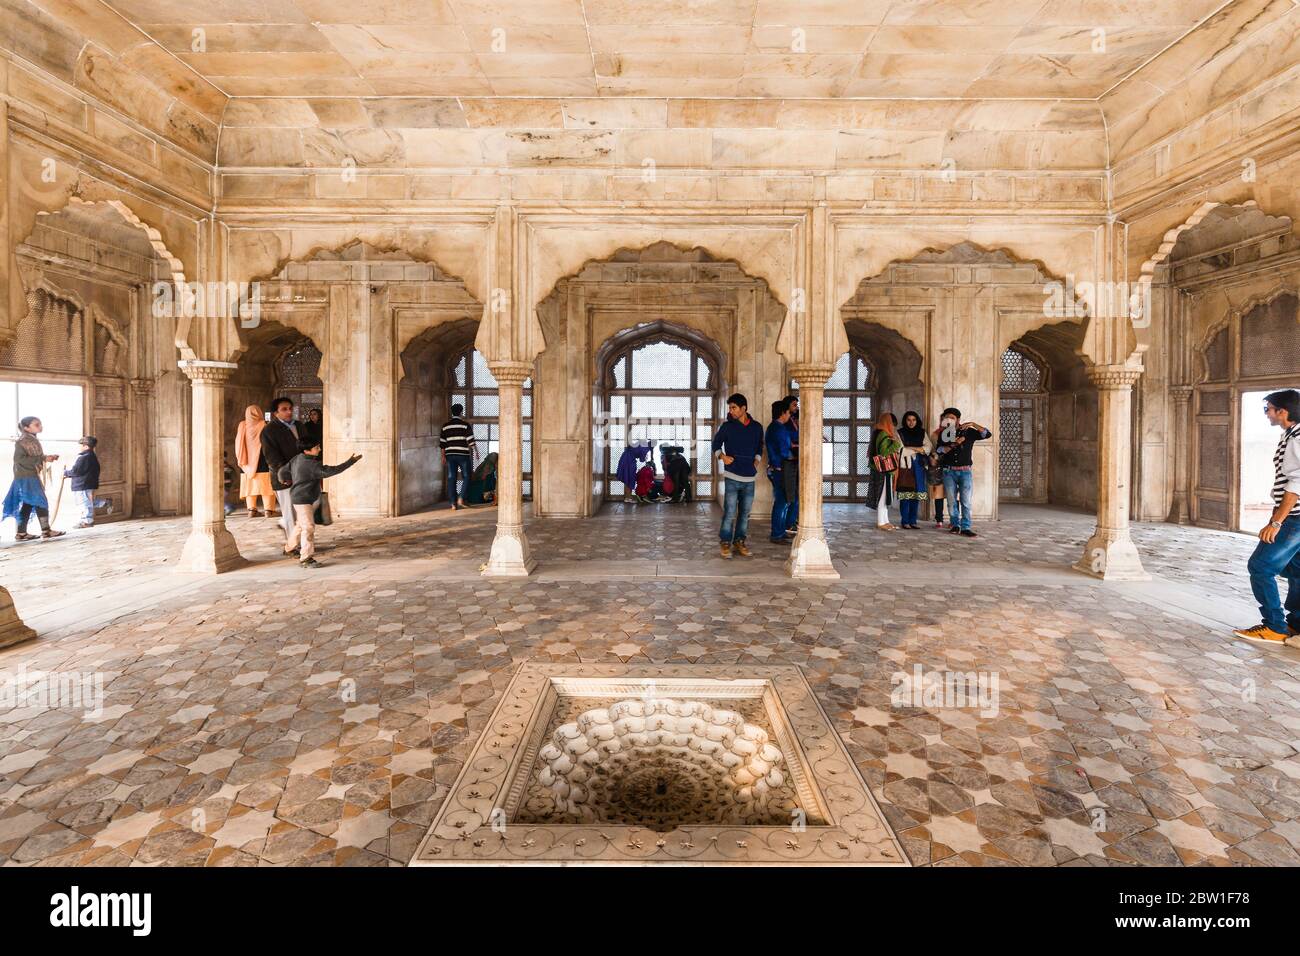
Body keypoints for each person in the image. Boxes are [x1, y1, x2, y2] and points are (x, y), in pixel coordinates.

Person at [1234, 389, 1300, 643]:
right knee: (1295, 569)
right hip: (1293, 516)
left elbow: (1295, 486)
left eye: (1268, 409)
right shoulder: (1291, 435)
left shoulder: (1296, 439)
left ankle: (1274, 625)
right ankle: (1295, 623)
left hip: (1294, 517)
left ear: (1282, 412)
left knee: (1260, 566)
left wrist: (1276, 522)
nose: (1267, 414)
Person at [278, 441, 361, 569]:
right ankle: (306, 558)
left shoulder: (298, 458)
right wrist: (350, 461)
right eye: (316, 447)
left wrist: (284, 480)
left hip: (298, 497)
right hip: (303, 500)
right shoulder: (312, 465)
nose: (320, 449)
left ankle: (289, 548)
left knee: (301, 525)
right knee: (309, 527)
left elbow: (282, 471)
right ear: (307, 450)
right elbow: (333, 470)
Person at [711, 393, 763, 558]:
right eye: (730, 408)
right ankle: (725, 543)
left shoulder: (757, 427)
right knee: (730, 511)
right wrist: (722, 457)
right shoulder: (727, 427)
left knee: (745, 513)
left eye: (734, 407)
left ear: (744, 408)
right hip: (732, 476)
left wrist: (757, 460)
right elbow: (716, 444)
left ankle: (739, 541)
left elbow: (759, 447)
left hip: (750, 478)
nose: (731, 411)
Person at [933, 407, 992, 538]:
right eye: (947, 418)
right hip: (949, 472)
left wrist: (972, 424)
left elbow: (987, 434)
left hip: (965, 472)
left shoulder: (969, 431)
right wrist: (954, 444)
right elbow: (939, 450)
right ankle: (955, 525)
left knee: (966, 501)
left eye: (952, 418)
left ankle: (966, 527)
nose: (949, 420)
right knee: (951, 501)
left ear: (958, 419)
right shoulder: (944, 433)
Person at [3, 416, 64, 540]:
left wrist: (47, 457)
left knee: (28, 503)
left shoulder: (31, 439)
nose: (40, 426)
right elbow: (20, 460)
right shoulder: (23, 441)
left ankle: (21, 533)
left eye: (40, 424)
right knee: (40, 501)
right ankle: (46, 530)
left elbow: (35, 456)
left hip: (29, 475)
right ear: (26, 428)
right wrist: (43, 458)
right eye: (36, 425)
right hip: (26, 476)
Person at [260, 396, 302, 555]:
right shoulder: (269, 431)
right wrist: (285, 475)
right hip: (284, 478)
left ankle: (285, 524)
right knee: (291, 512)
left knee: (304, 510)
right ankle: (293, 547)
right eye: (284, 409)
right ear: (276, 412)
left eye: (290, 408)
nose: (289, 411)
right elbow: (272, 457)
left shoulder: (299, 426)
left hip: (302, 475)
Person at [236, 404, 275, 517]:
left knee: (250, 486)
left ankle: (251, 510)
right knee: (266, 485)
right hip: (262, 460)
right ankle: (268, 510)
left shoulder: (242, 425)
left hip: (246, 461)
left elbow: (238, 443)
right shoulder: (265, 424)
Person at [439, 402, 478, 510]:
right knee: (467, 476)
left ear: (452, 412)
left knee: (452, 478)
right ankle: (461, 497)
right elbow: (471, 440)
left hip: (450, 455)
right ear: (461, 412)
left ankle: (453, 503)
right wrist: (476, 451)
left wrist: (443, 456)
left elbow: (442, 443)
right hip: (463, 455)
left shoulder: (445, 426)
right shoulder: (465, 425)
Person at [896, 411, 932, 530]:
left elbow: (928, 447)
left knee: (916, 495)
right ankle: (905, 521)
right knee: (905, 495)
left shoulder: (922, 432)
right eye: (908, 420)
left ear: (917, 421)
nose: (911, 422)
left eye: (914, 420)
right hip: (906, 466)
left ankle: (913, 521)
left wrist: (912, 448)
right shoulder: (900, 433)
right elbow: (901, 451)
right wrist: (919, 449)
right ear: (905, 421)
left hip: (919, 466)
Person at [868, 412, 903, 531]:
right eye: (892, 424)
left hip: (880, 470)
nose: (893, 427)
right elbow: (883, 453)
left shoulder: (877, 432)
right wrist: (896, 444)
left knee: (885, 496)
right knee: (882, 496)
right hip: (883, 471)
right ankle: (881, 522)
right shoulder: (883, 433)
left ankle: (885, 521)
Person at [765, 399, 794, 544]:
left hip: (777, 468)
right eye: (788, 412)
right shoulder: (779, 429)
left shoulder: (773, 427)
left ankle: (780, 532)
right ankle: (777, 534)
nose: (789, 415)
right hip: (781, 469)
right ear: (783, 413)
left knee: (782, 502)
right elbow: (784, 450)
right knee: (782, 502)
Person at [63, 435, 102, 529]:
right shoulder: (91, 456)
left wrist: (66, 473)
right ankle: (103, 503)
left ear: (86, 446)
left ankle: (87, 521)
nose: (79, 447)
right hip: (86, 483)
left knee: (84, 503)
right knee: (87, 501)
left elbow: (76, 471)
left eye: (81, 445)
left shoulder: (85, 457)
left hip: (82, 484)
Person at [783, 393, 799, 537]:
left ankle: (792, 521)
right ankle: (789, 523)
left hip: (796, 460)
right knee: (790, 496)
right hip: (789, 461)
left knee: (796, 494)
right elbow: (787, 443)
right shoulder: (784, 424)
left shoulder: (795, 419)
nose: (796, 407)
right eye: (794, 404)